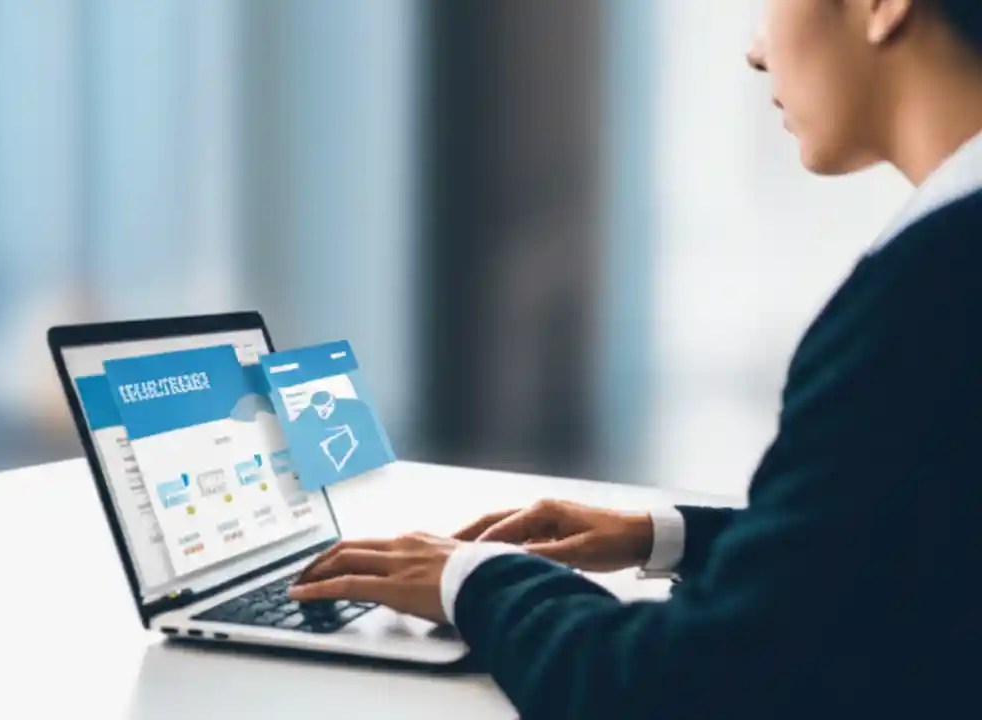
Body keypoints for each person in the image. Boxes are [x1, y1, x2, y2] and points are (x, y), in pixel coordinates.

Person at [289, 1, 982, 717]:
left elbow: (676, 688)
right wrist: (671, 538)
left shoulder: (928, 298)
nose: (754, 49)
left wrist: (472, 578)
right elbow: (915, 549)